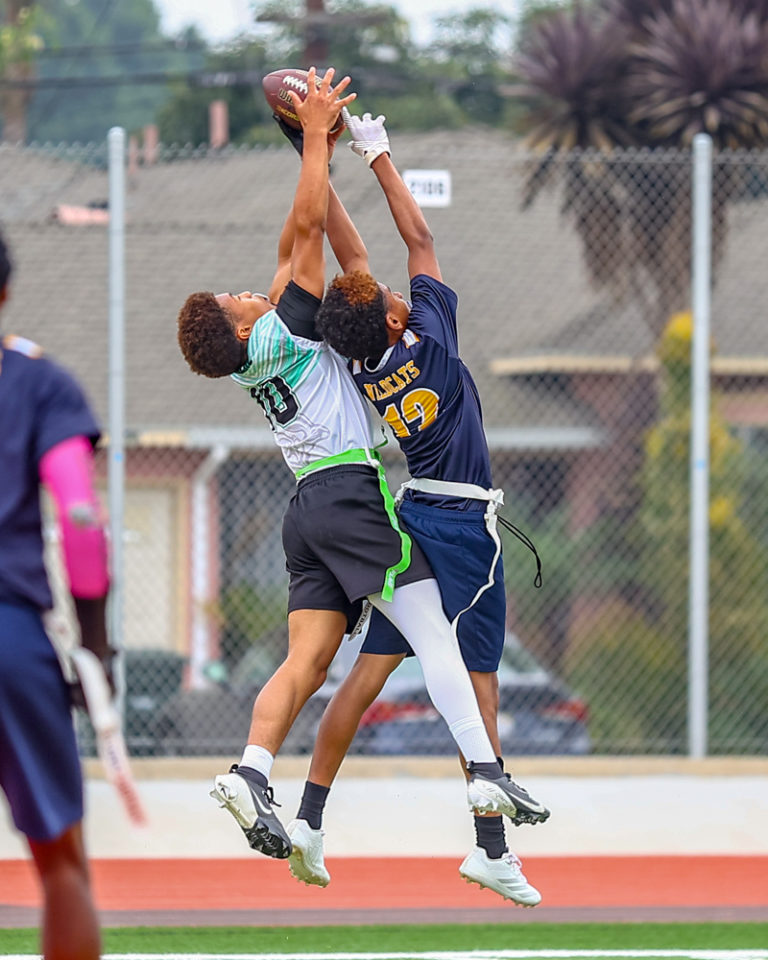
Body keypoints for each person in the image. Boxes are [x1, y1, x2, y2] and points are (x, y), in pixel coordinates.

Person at [176, 68, 541, 862]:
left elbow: (315, 244)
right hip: (361, 497)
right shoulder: (323, 332)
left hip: (304, 513)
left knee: (313, 663)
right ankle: (486, 778)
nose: (247, 291)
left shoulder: (272, 357)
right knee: (439, 642)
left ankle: (253, 770)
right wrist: (319, 139)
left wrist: (311, 145)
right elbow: (319, 237)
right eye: (237, 300)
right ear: (391, 315)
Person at [284, 109, 547, 907]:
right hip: (464, 526)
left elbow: (355, 261)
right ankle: (492, 842)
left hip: (408, 522)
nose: (402, 289)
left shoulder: (358, 355)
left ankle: (309, 817)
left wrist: (313, 152)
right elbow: (418, 238)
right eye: (396, 295)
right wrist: (378, 155)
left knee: (362, 682)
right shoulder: (428, 342)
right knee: (479, 677)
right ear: (398, 317)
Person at [0, 227, 112, 959]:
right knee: (61, 859)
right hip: (10, 636)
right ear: (6, 289)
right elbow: (77, 513)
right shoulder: (39, 383)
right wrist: (94, 643)